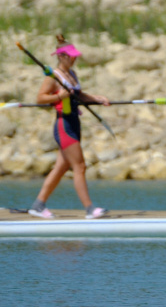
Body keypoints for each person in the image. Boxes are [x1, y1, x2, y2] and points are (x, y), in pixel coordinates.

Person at [28, 37, 110, 219]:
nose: (75, 59)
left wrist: (98, 98)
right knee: (79, 166)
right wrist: (59, 96)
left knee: (61, 167)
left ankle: (38, 205)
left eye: (75, 56)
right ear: (62, 56)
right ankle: (89, 209)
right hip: (63, 124)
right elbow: (40, 98)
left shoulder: (72, 74)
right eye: (71, 56)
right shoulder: (53, 77)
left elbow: (79, 96)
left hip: (75, 122)